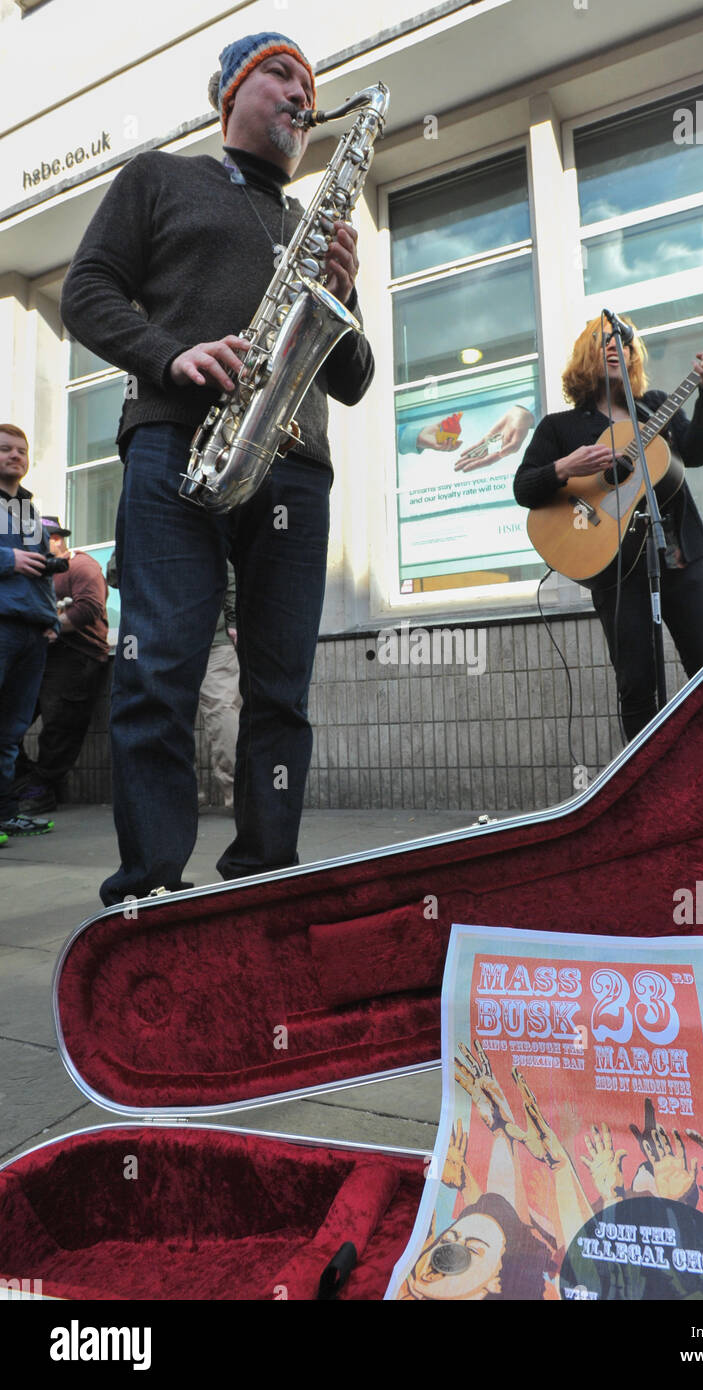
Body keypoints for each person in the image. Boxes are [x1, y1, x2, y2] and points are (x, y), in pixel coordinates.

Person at [60, 32, 374, 905]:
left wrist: (344, 297)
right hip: (175, 445)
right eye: (281, 73)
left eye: (310, 84)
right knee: (157, 672)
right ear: (229, 92)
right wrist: (169, 356)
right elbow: (86, 291)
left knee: (281, 690)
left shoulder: (314, 226)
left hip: (294, 467)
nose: (301, 93)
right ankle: (148, 890)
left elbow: (352, 378)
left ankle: (267, 879)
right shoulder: (160, 178)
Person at [513, 317, 703, 739]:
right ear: (585, 353)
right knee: (636, 685)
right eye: (604, 340)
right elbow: (524, 488)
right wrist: (564, 467)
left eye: (624, 343)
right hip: (616, 571)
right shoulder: (560, 428)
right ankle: (647, 792)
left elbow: (700, 452)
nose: (616, 347)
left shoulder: (657, 406)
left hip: (680, 559)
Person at [15, 517, 109, 815]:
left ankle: (42, 788)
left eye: (41, 539)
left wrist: (52, 622)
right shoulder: (35, 572)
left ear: (56, 539)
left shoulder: (80, 566)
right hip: (40, 655)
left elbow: (89, 607)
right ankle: (27, 780)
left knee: (59, 726)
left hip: (77, 655)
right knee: (9, 720)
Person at [0, 425, 58, 839]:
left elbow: (37, 570)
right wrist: (8, 558)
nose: (14, 456)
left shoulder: (28, 509)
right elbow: (19, 561)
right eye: (4, 449)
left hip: (32, 629)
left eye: (21, 450)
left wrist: (51, 619)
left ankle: (4, 814)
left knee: (11, 732)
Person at [197, 561, 241, 810]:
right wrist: (233, 620)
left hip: (165, 636)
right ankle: (240, 793)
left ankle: (178, 795)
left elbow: (117, 573)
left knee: (169, 716)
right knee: (222, 709)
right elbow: (228, 574)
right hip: (215, 635)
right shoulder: (206, 524)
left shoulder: (145, 524)